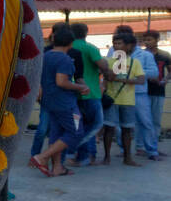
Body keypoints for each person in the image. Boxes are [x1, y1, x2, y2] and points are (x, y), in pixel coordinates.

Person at [29, 25, 89, 177]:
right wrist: (80, 87)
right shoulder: (65, 59)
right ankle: (42, 157)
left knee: (57, 133)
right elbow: (61, 82)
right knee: (76, 132)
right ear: (71, 43)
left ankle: (57, 167)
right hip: (65, 103)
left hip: (49, 102)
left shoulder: (45, 56)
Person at [68, 23, 109, 165]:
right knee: (95, 125)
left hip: (73, 92)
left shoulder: (67, 47)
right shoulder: (90, 48)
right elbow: (103, 66)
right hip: (90, 92)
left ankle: (85, 157)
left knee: (81, 125)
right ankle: (77, 152)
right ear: (86, 32)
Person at [102, 31, 144, 166]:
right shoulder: (108, 61)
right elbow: (109, 78)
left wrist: (124, 80)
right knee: (109, 128)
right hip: (111, 99)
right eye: (115, 43)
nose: (116, 46)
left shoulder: (135, 62)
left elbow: (141, 80)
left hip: (127, 100)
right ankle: (106, 157)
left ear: (128, 46)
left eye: (119, 43)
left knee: (127, 130)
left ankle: (127, 158)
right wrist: (119, 64)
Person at [130, 32, 160, 161]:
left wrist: (135, 72)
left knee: (145, 122)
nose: (118, 44)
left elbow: (154, 73)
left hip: (139, 92)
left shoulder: (145, 55)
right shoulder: (117, 54)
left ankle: (151, 150)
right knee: (121, 124)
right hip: (120, 93)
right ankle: (125, 149)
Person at [141, 30, 169, 159]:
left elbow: (170, 71)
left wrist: (165, 80)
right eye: (145, 40)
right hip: (143, 91)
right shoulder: (141, 55)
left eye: (150, 39)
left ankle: (154, 146)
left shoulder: (164, 55)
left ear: (157, 40)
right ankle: (141, 147)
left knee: (156, 121)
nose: (147, 42)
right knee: (143, 121)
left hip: (158, 91)